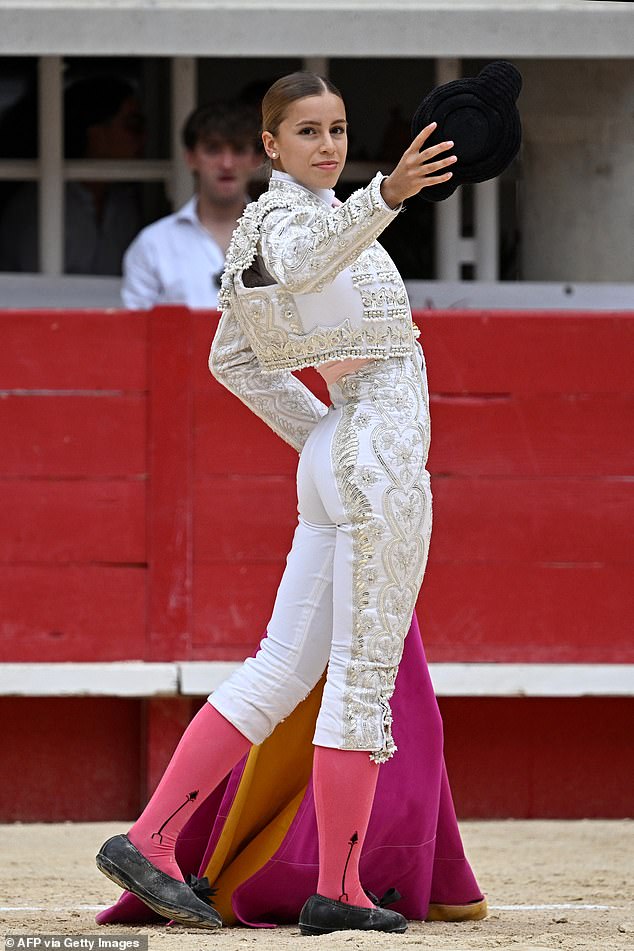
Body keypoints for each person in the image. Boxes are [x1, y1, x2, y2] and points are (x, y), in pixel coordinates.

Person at [96, 71, 465, 936]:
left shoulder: (259, 231)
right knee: (359, 679)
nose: (328, 145)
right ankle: (339, 887)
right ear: (270, 145)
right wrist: (387, 193)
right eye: (306, 131)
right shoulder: (301, 223)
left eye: (337, 128)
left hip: (344, 444)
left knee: (282, 666)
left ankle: (152, 838)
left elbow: (235, 360)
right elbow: (309, 260)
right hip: (374, 451)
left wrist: (320, 438)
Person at [121, 100, 261, 309]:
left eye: (239, 150)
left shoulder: (282, 237)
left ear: (257, 159)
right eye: (213, 149)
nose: (227, 163)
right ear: (191, 158)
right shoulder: (153, 244)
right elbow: (135, 334)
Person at [0, 75, 145, 275]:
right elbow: (36, 295)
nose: (143, 138)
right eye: (133, 126)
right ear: (96, 134)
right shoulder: (40, 207)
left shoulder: (123, 204)